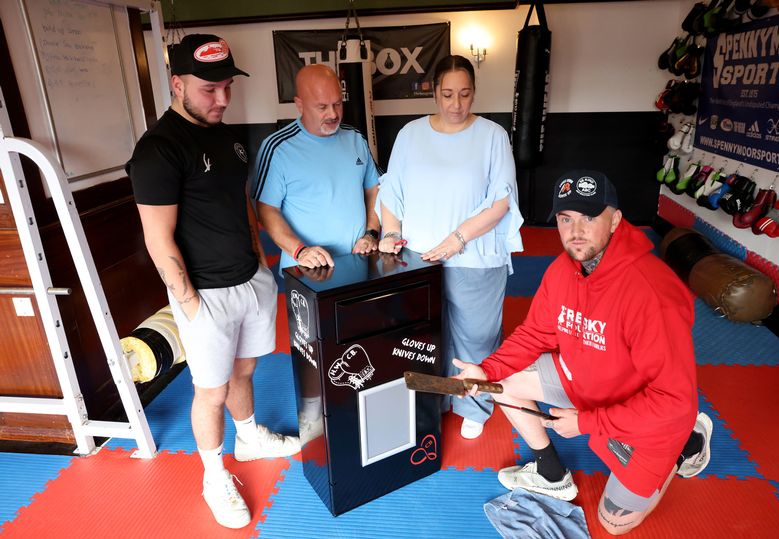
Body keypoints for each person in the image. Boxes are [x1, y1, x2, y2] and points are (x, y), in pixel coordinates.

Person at [454, 170, 713, 535]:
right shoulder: (563, 271)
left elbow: (672, 400)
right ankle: (550, 472)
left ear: (616, 220)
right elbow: (534, 333)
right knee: (505, 383)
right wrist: (488, 370)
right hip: (585, 384)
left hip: (647, 416)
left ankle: (686, 444)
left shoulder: (651, 294)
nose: (576, 230)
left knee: (612, 524)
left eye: (590, 217)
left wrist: (587, 423)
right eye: (565, 218)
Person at [127, 34, 300, 530]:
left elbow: (239, 202)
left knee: (244, 373)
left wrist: (260, 262)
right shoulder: (158, 150)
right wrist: (190, 305)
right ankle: (212, 475)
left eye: (227, 87)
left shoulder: (227, 136)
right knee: (211, 392)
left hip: (251, 279)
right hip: (205, 294)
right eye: (210, 90)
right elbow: (159, 241)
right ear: (177, 84)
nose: (222, 99)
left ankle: (249, 437)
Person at [377, 55, 523, 440]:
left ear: (474, 92)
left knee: (476, 335)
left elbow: (502, 201)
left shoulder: (493, 135)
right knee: (426, 336)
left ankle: (473, 404)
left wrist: (458, 238)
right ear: (434, 93)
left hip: (474, 255)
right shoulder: (410, 134)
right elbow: (392, 191)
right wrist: (390, 233)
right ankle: (437, 399)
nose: (456, 104)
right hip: (418, 257)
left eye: (464, 94)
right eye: (447, 94)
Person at [251, 64, 380, 271]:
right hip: (308, 271)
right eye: (322, 107)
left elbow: (373, 189)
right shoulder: (277, 148)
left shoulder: (355, 138)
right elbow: (266, 209)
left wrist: (371, 233)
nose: (333, 114)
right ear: (300, 104)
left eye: (337, 104)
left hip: (358, 262)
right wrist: (300, 251)